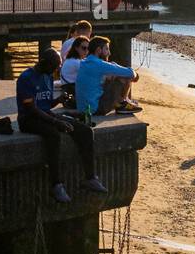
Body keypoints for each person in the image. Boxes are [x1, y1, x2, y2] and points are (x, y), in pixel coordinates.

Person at [17, 48, 109, 204]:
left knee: (85, 130)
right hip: (29, 119)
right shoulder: (27, 78)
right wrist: (56, 122)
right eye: (55, 66)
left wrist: (58, 100)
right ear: (44, 63)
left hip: (45, 115)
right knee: (54, 134)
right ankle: (56, 184)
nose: (57, 69)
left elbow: (45, 104)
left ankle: (90, 177)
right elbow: (31, 108)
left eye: (58, 65)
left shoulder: (47, 75)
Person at [75, 36, 140, 116]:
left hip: (82, 108)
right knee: (124, 78)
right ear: (98, 50)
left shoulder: (85, 62)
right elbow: (130, 73)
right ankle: (122, 104)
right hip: (95, 109)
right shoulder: (98, 64)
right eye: (106, 49)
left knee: (113, 76)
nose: (109, 53)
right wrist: (135, 75)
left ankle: (123, 102)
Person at [59, 36, 89, 109]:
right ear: (76, 48)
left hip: (68, 99)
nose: (86, 51)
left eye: (88, 48)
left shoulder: (70, 60)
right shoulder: (76, 62)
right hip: (73, 100)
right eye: (84, 48)